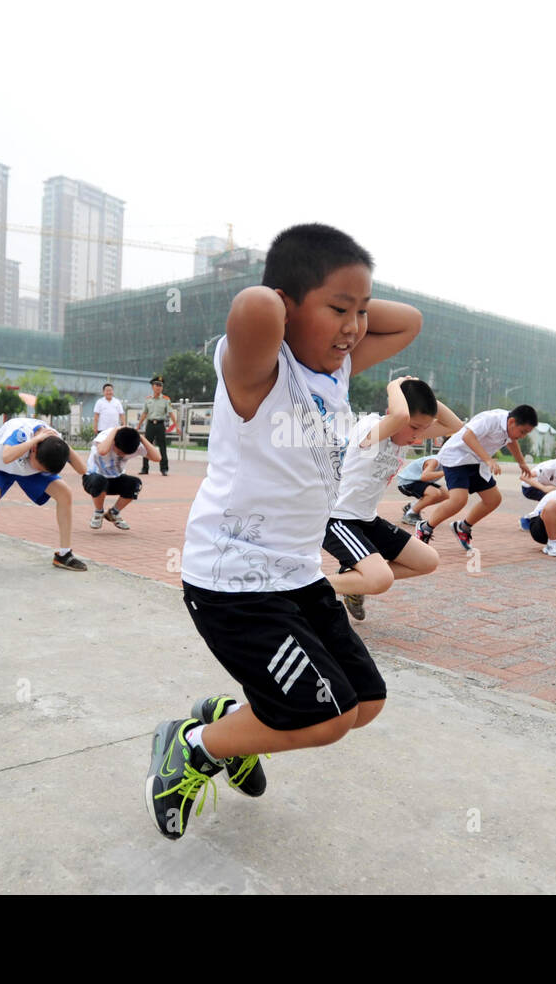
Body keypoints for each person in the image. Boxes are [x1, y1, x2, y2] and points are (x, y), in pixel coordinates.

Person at [145, 223, 421, 841]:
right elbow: (255, 306)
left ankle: (232, 722)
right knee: (323, 717)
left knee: (364, 703)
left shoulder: (337, 371)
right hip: (233, 582)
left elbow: (409, 322)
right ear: (291, 306)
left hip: (297, 576)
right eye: (339, 309)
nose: (355, 326)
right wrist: (288, 298)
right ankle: (193, 747)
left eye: (361, 311)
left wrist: (342, 302)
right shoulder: (256, 375)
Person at [323, 376, 461, 620]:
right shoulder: (371, 427)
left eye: (423, 429)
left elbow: (454, 425)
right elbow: (399, 417)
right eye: (415, 428)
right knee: (380, 579)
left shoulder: (403, 435)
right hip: (337, 519)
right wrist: (394, 385)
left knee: (427, 560)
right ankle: (302, 589)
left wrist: (421, 392)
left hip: (367, 520)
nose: (418, 437)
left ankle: (352, 580)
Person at [0, 417, 88, 572]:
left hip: (26, 470)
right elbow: (6, 456)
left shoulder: (52, 441)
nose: (41, 471)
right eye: (40, 467)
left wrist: (65, 446)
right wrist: (35, 440)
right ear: (34, 450)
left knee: (65, 494)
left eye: (44, 471)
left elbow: (82, 469)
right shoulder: (21, 432)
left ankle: (64, 554)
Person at [415, 404, 537, 551]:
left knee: (493, 500)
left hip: (476, 462)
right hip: (457, 457)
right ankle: (425, 527)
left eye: (526, 434)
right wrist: (488, 460)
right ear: (511, 422)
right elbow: (468, 436)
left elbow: (512, 442)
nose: (522, 436)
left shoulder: (510, 428)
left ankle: (463, 527)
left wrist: (522, 463)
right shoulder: (490, 419)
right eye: (522, 432)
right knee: (458, 500)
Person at [83, 425, 159, 531]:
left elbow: (157, 458)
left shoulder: (132, 442)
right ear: (114, 442)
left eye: (125, 454)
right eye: (119, 452)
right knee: (99, 481)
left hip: (115, 479)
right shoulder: (106, 436)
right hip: (92, 479)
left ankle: (113, 513)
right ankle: (98, 512)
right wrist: (115, 430)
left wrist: (141, 437)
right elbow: (102, 451)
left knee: (135, 483)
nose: (121, 455)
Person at [138, 376, 175, 475]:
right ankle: (145, 468)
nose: (158, 387)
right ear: (152, 387)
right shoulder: (148, 399)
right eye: (156, 385)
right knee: (146, 446)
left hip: (160, 425)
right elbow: (144, 413)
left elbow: (171, 413)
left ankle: (164, 469)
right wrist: (138, 425)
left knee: (162, 447)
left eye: (160, 385)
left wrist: (177, 425)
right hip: (150, 424)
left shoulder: (166, 399)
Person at [396, 454, 446, 526]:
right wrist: (445, 472)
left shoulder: (450, 463)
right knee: (434, 493)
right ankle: (410, 514)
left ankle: (412, 506)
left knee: (446, 494)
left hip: (419, 481)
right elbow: (425, 476)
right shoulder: (434, 461)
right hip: (407, 482)